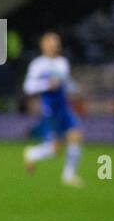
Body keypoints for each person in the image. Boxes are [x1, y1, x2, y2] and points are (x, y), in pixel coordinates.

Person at [22, 32, 83, 187]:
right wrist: (47, 85)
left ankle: (69, 176)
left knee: (75, 137)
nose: (54, 46)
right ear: (43, 45)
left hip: (64, 106)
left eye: (56, 43)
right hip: (50, 110)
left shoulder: (62, 62)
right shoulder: (37, 64)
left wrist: (75, 87)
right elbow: (28, 87)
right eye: (51, 43)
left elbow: (65, 82)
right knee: (56, 148)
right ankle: (32, 153)